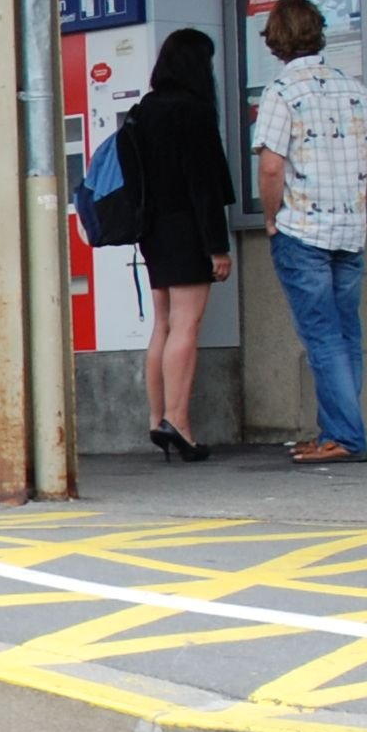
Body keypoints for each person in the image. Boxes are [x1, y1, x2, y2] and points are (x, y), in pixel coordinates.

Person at [249, 0, 367, 464]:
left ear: (276, 42)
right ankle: (336, 431)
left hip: (302, 228)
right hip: (348, 229)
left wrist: (270, 217)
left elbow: (270, 167)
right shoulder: (354, 88)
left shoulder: (281, 93)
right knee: (347, 335)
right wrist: (355, 207)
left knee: (321, 336)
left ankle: (345, 437)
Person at [115, 29, 233, 461]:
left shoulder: (143, 111)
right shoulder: (195, 112)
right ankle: (179, 422)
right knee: (187, 325)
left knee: (162, 324)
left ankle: (156, 417)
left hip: (153, 231)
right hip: (188, 231)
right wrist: (217, 247)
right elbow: (203, 185)